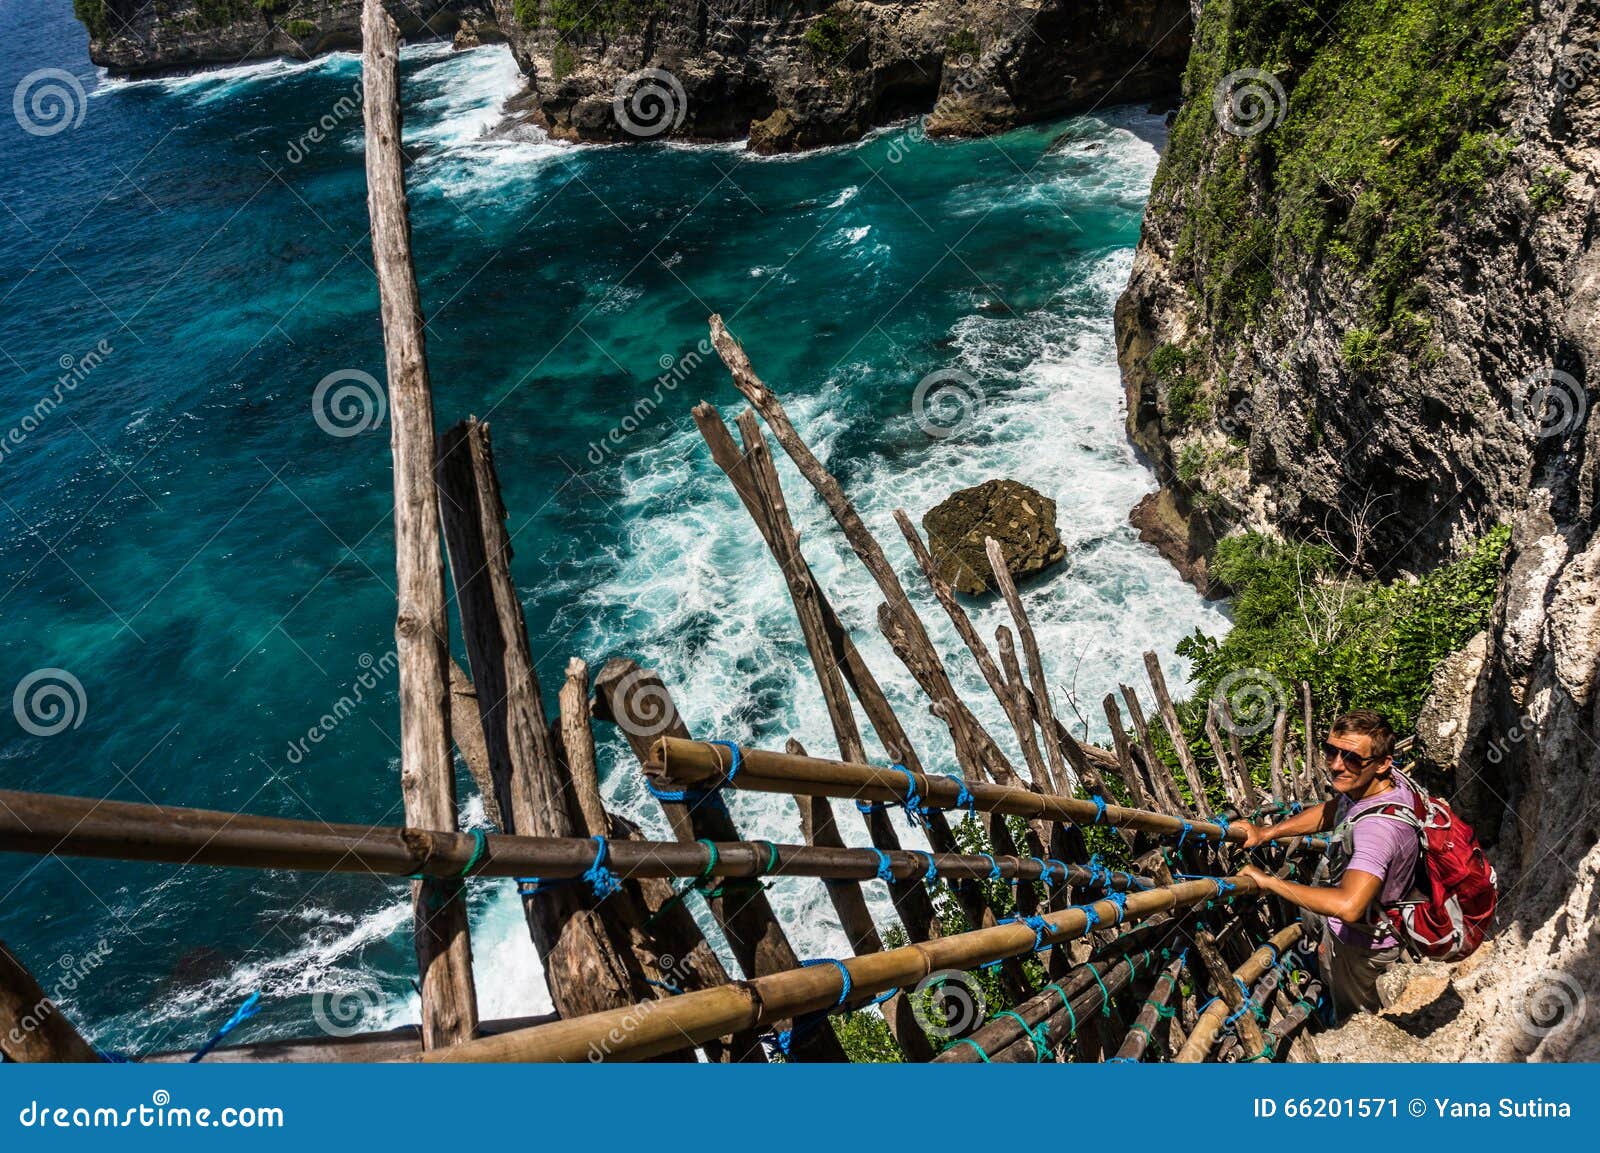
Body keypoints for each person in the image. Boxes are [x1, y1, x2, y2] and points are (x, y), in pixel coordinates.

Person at [1236, 709, 1420, 1018]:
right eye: (1331, 751)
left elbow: (1349, 905)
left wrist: (1269, 883)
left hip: (1362, 948)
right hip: (1364, 935)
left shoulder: (1377, 829)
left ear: (1383, 762)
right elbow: (1335, 810)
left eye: (1351, 757)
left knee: (1358, 1020)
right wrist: (1268, 833)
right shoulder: (1380, 786)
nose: (1335, 765)